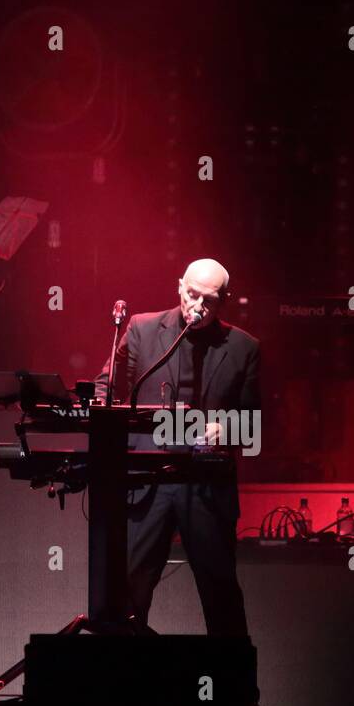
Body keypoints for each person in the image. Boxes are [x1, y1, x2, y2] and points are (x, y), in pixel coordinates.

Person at [94, 258, 260, 636]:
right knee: (129, 590)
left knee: (220, 593)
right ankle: (122, 687)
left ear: (224, 302)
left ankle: (236, 691)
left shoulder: (244, 347)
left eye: (209, 300)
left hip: (205, 483)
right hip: (148, 479)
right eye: (191, 294)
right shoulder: (142, 329)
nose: (197, 305)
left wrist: (228, 429)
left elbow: (255, 424)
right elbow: (107, 387)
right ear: (179, 286)